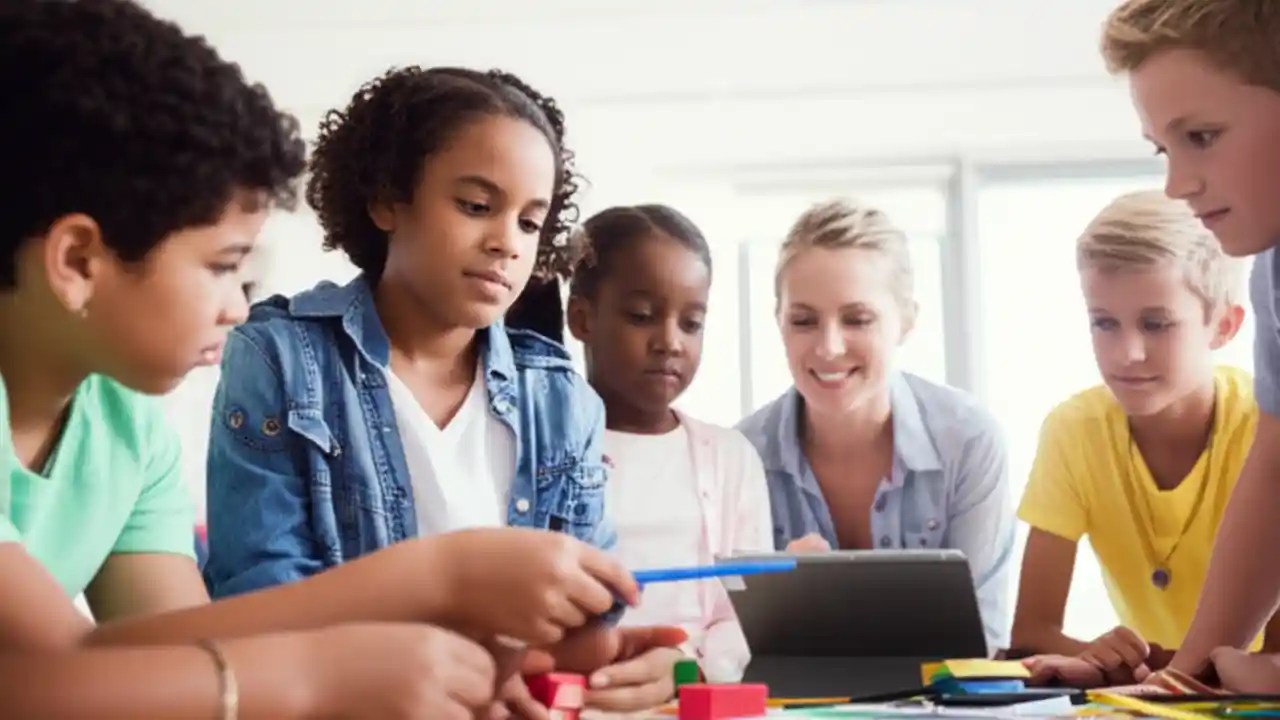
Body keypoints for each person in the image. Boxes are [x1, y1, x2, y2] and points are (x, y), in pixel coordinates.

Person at [0, 1, 674, 716]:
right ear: (77, 259)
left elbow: (158, 658)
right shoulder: (277, 355)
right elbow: (44, 676)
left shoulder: (128, 428)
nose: (236, 307)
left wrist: (509, 658)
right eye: (224, 265)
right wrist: (427, 586)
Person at [203, 64, 614, 599]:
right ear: (385, 200)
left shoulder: (563, 401)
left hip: (522, 684)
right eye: (476, 206)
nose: (507, 242)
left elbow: (593, 604)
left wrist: (636, 650)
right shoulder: (279, 359)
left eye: (529, 222)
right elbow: (262, 595)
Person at [1012, 190, 1280, 681]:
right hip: (1171, 690)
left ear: (1223, 325)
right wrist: (1099, 655)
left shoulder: (1265, 432)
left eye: (1156, 324)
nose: (1127, 352)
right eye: (1104, 323)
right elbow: (1031, 630)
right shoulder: (1074, 431)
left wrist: (1153, 668)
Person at [737, 198, 1015, 652]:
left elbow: (981, 642)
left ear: (905, 321)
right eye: (804, 321)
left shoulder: (968, 441)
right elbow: (728, 649)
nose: (828, 347)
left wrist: (803, 616)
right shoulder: (741, 455)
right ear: (779, 322)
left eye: (858, 319)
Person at [1096, 0, 1280, 686]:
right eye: (1163, 149)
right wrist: (1191, 675)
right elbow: (1277, 469)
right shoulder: (1274, 276)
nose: (1177, 185)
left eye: (1202, 136)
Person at [565, 205, 774, 706]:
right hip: (582, 696)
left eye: (692, 322)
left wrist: (694, 667)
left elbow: (746, 613)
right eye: (641, 316)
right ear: (582, 317)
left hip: (693, 698)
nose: (670, 342)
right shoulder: (546, 450)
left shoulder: (730, 458)